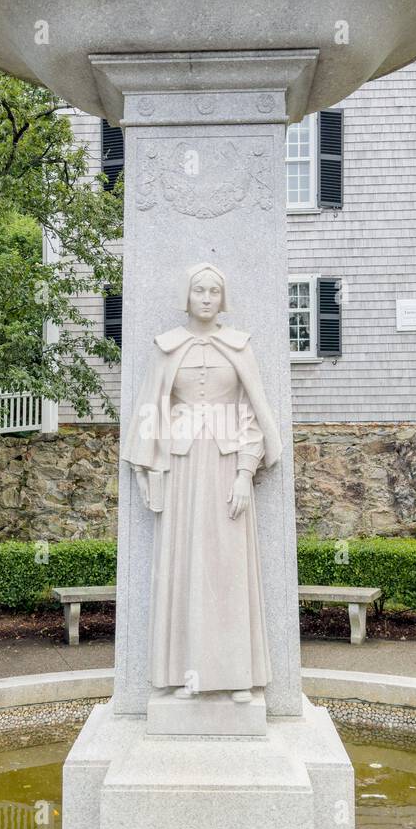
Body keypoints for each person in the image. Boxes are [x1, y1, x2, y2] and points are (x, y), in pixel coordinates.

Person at [121, 262, 281, 700]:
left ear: (222, 298)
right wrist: (147, 469)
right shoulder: (167, 348)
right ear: (186, 297)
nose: (206, 298)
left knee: (229, 573)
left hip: (228, 468)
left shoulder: (240, 347)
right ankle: (188, 675)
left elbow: (252, 414)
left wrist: (246, 474)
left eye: (214, 291)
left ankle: (236, 677)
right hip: (183, 470)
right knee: (185, 569)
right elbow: (150, 410)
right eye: (199, 291)